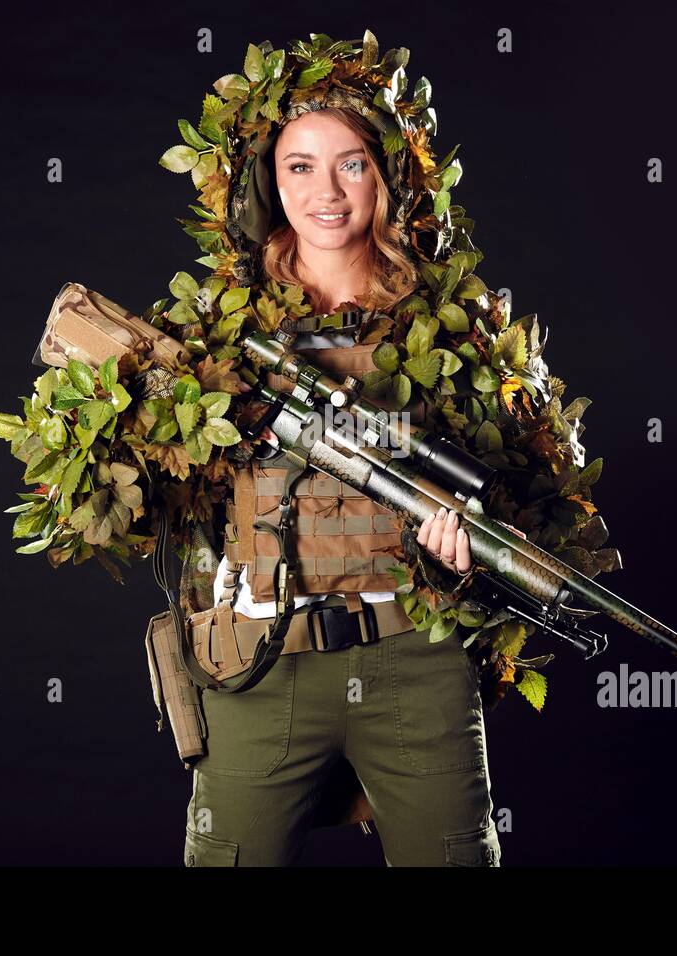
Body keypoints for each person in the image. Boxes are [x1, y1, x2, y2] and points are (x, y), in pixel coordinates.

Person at [183, 103, 507, 867]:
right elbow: (170, 499)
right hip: (261, 655)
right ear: (270, 183)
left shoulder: (448, 324)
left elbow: (518, 488)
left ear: (384, 178)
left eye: (351, 163)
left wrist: (462, 545)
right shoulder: (219, 326)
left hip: (414, 661)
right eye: (300, 166)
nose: (327, 190)